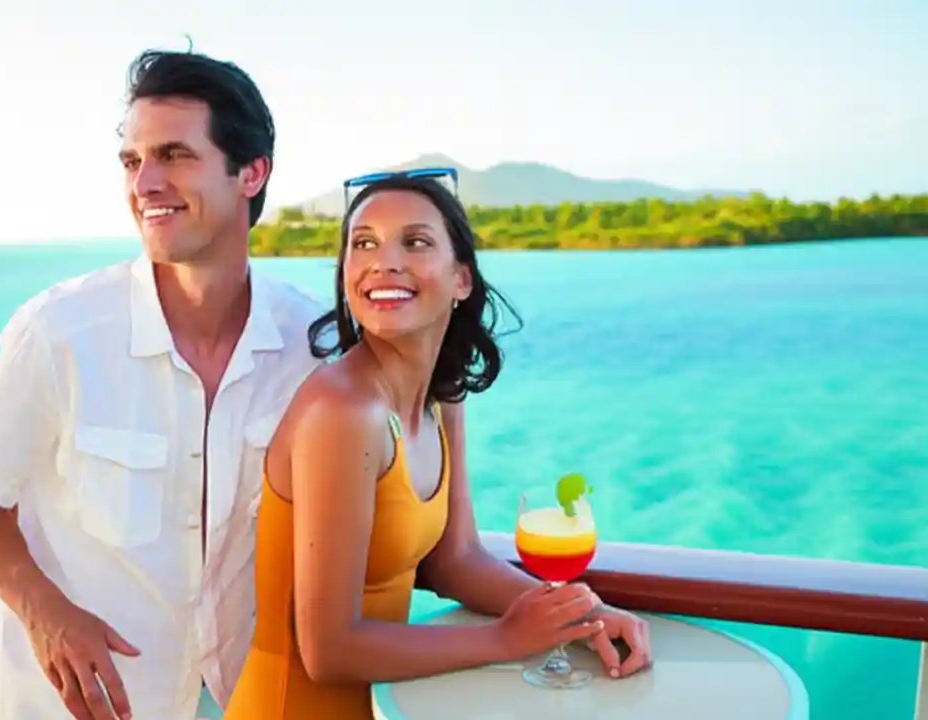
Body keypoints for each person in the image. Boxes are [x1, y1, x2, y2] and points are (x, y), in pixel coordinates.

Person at [0, 49, 325, 719]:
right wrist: (49, 615)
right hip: (68, 707)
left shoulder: (309, 344)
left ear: (252, 173)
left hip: (239, 700)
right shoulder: (59, 333)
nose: (145, 182)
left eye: (175, 155)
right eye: (132, 160)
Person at [223, 173, 653, 719]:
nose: (385, 262)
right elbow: (328, 650)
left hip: (381, 707)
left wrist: (578, 614)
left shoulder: (441, 398)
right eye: (364, 243)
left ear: (461, 280)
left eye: (416, 241)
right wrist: (505, 639)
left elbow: (457, 559)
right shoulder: (343, 412)